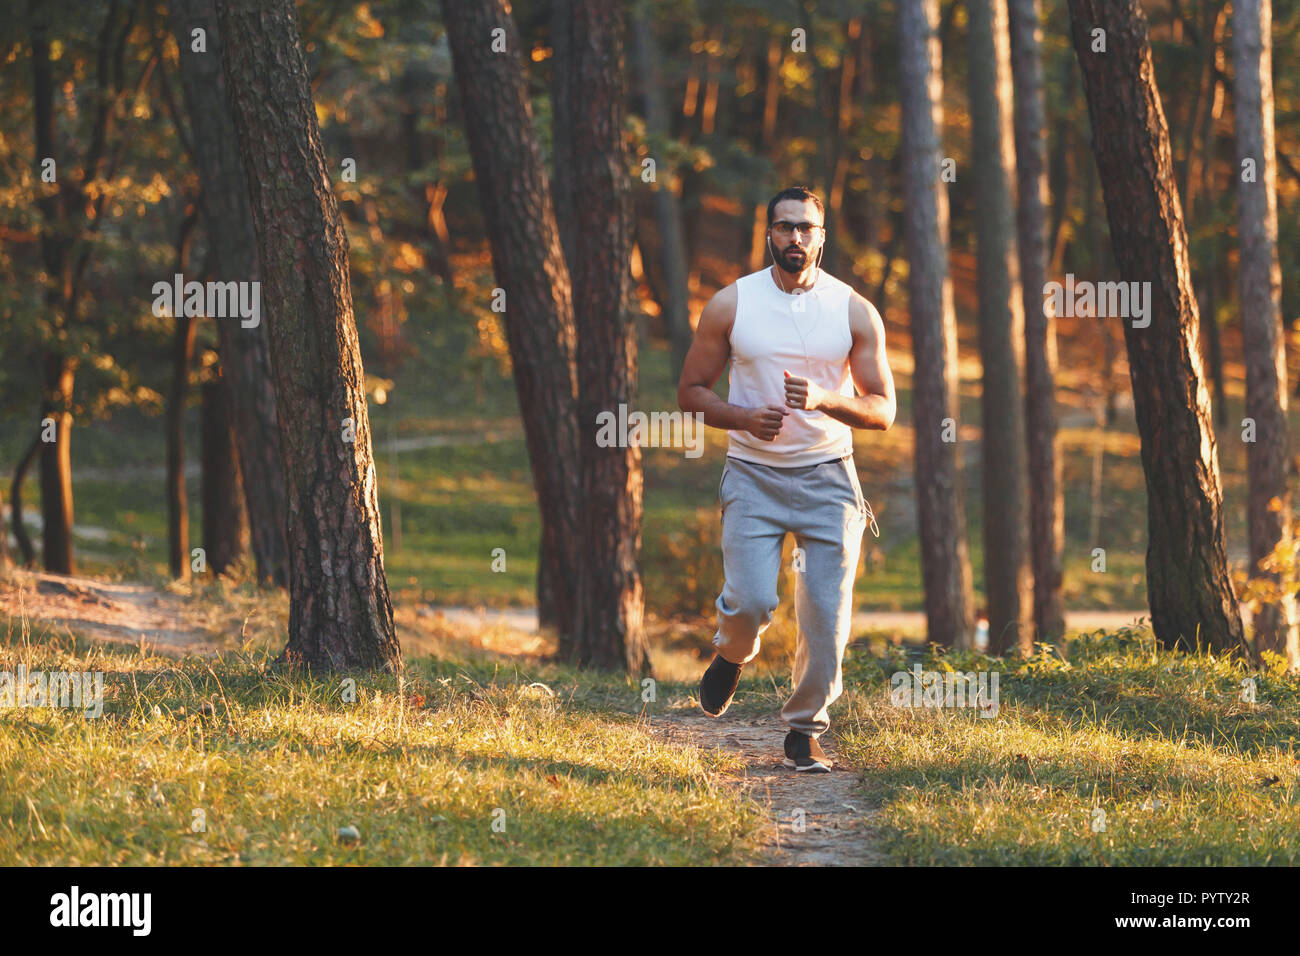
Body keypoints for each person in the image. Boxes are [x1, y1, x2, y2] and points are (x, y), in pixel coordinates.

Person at [676, 185, 896, 772]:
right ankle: (732, 653)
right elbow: (690, 392)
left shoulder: (853, 310)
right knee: (749, 602)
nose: (795, 237)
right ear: (768, 233)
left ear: (822, 238)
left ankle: (803, 730)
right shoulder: (732, 304)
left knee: (826, 619)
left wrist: (827, 397)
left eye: (806, 228)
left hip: (829, 479)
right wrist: (743, 417)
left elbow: (882, 410)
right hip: (752, 475)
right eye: (784, 227)